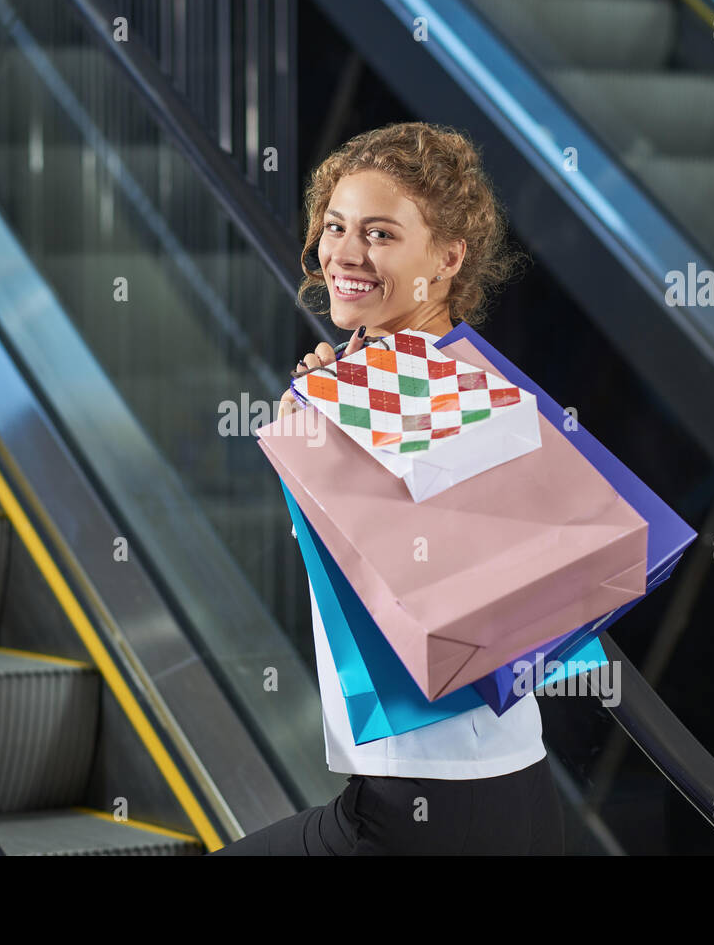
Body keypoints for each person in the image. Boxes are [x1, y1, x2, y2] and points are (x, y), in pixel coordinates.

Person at [210, 121, 563, 855]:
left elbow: (405, 574)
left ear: (447, 255)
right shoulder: (452, 374)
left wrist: (318, 433)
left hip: (428, 808)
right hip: (511, 785)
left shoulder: (417, 386)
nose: (344, 252)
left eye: (379, 233)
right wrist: (325, 412)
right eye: (335, 226)